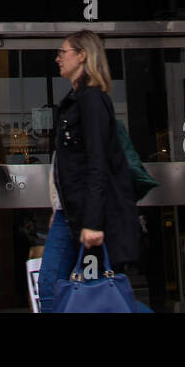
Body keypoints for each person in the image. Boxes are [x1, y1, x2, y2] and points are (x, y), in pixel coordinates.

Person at [38, 29, 141, 313]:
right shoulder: (73, 100)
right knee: (76, 290)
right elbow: (68, 164)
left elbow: (98, 162)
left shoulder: (92, 99)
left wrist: (94, 222)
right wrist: (57, 206)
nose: (58, 58)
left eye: (63, 52)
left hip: (89, 217)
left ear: (82, 55)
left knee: (82, 290)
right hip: (69, 214)